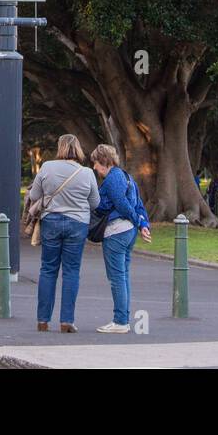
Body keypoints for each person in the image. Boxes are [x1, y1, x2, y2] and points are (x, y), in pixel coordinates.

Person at [27, 134, 100, 333]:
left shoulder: (47, 167)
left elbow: (34, 195)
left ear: (60, 148)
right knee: (71, 271)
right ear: (77, 149)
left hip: (51, 222)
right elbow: (95, 203)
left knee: (48, 269)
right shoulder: (86, 173)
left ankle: (42, 320)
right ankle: (66, 321)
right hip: (78, 224)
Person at [90, 144, 151, 334]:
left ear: (104, 161)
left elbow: (123, 204)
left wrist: (137, 221)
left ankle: (120, 321)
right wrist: (142, 224)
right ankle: (122, 319)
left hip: (116, 231)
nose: (94, 168)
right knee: (122, 277)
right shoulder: (127, 177)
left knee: (116, 278)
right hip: (128, 232)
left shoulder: (113, 177)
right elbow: (139, 204)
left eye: (96, 163)